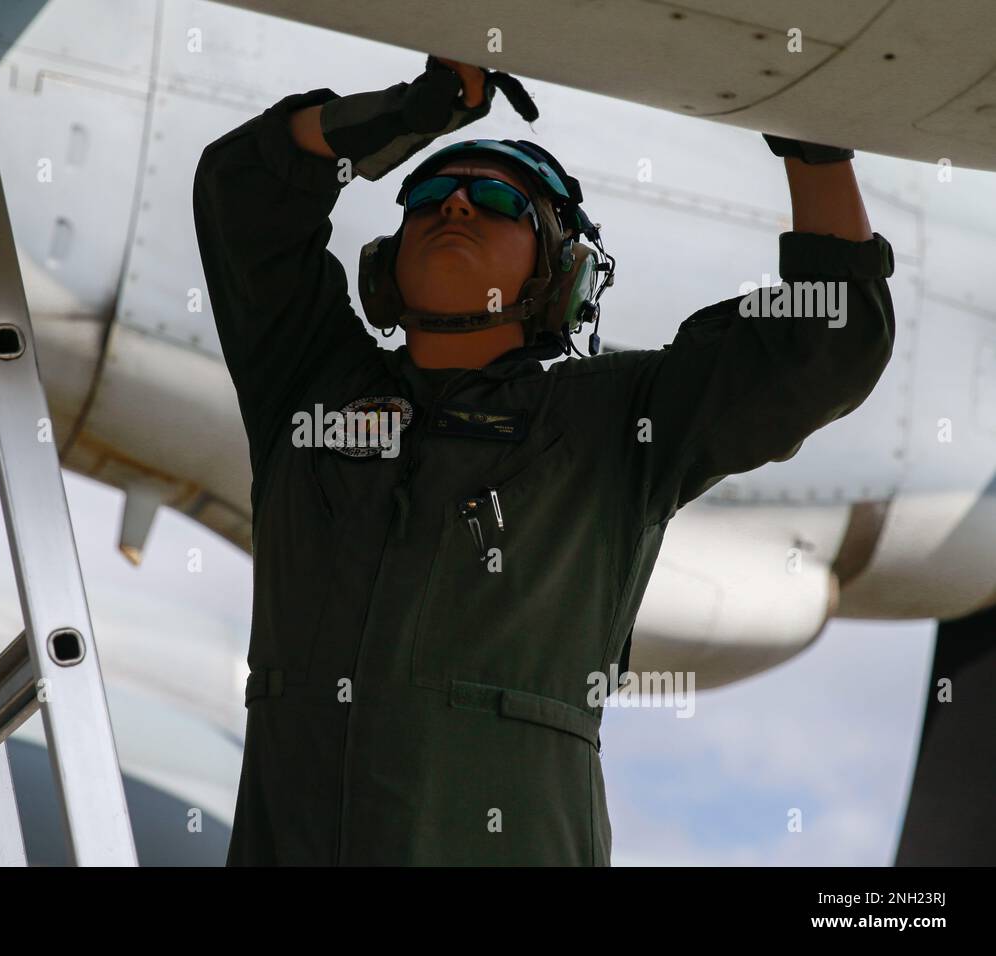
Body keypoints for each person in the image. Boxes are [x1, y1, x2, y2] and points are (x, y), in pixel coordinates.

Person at [192, 55, 895, 865]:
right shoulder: (308, 386)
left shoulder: (613, 424)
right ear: (387, 258)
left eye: (496, 202)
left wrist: (814, 142)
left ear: (563, 273)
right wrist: (397, 116)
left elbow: (829, 339)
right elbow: (240, 192)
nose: (453, 204)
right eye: (427, 197)